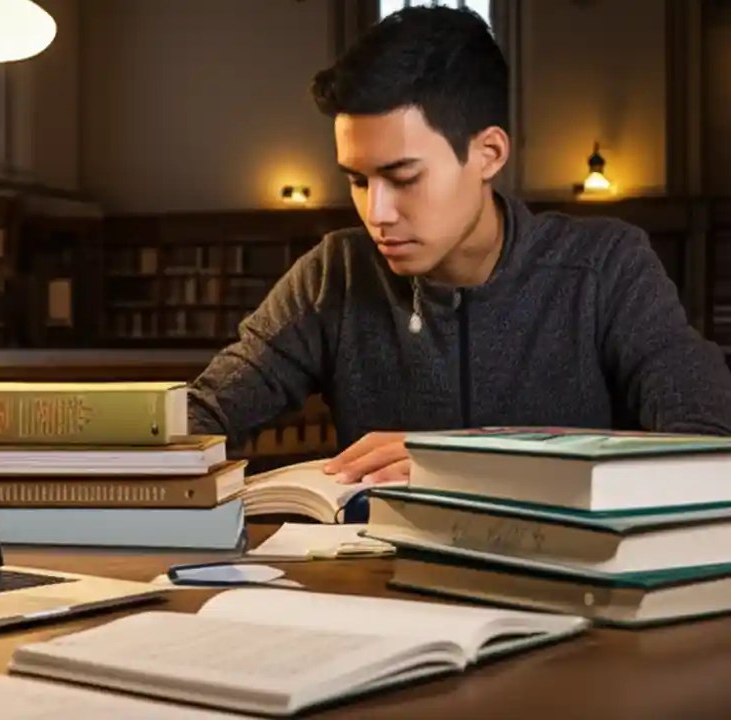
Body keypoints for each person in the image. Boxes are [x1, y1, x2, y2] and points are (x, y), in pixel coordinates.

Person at [186, 5, 731, 486]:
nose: (377, 213)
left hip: (567, 590)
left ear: (489, 154)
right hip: (377, 590)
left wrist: (463, 461)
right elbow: (204, 413)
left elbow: (709, 441)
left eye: (403, 176)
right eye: (357, 180)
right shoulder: (335, 274)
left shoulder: (607, 265)